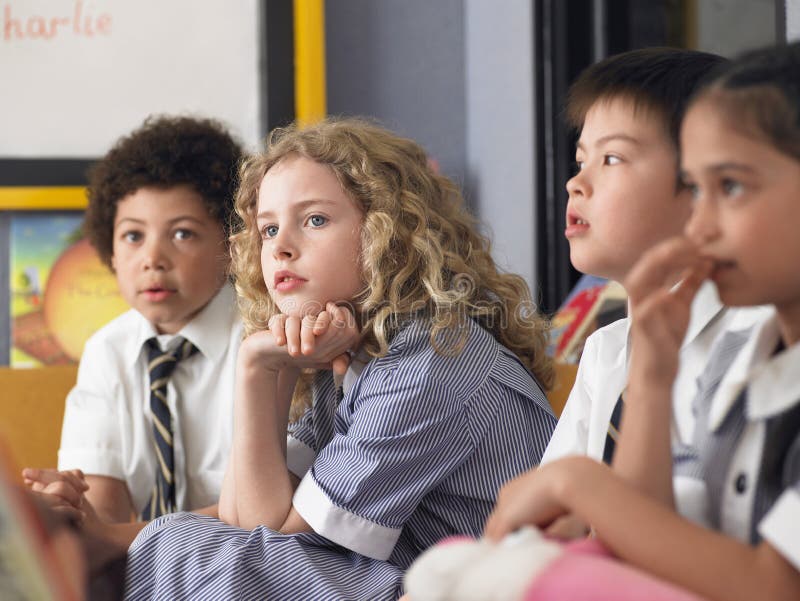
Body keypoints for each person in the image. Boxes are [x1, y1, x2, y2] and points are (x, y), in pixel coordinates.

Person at [123, 117, 557, 599]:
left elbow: (274, 539)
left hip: (479, 586)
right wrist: (264, 365)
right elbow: (249, 518)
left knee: (184, 544)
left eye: (315, 220)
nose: (281, 248)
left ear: (388, 234)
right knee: (183, 539)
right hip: (409, 576)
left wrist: (259, 367)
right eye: (267, 229)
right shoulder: (352, 354)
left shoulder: (434, 358)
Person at [484, 41, 800, 601]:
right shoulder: (625, 347)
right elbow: (630, 554)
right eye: (699, 187)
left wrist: (579, 487)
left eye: (728, 186)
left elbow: (773, 586)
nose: (701, 222)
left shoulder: (745, 345)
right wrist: (651, 379)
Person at [541, 48, 767, 478]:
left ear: (704, 182)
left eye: (612, 158)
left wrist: (583, 499)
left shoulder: (756, 335)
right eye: (580, 160)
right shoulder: (605, 352)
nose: (576, 183)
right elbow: (547, 520)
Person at [24, 116, 245, 531]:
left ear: (233, 246)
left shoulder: (265, 339)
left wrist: (114, 536)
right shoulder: (107, 350)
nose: (152, 259)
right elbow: (102, 511)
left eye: (182, 234)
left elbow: (265, 512)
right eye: (132, 236)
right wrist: (70, 505)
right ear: (109, 247)